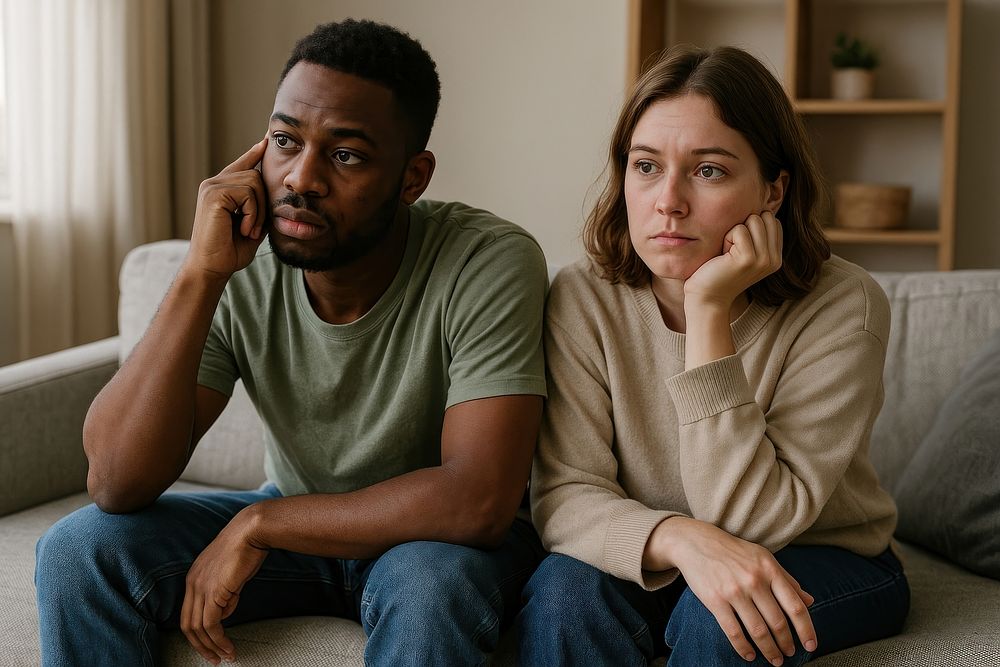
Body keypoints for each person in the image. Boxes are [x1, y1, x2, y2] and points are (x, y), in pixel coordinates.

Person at [35, 19, 548, 667]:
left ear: (412, 178)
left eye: (346, 154)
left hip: (433, 543)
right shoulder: (241, 263)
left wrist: (261, 524)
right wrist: (200, 273)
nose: (301, 178)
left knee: (429, 584)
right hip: (298, 524)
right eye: (284, 141)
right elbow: (115, 481)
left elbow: (477, 500)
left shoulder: (487, 260)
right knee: (78, 549)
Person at [515, 45, 909, 666]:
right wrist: (680, 539)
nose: (667, 200)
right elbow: (565, 495)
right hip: (656, 551)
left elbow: (755, 519)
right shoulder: (583, 296)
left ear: (773, 191)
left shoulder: (844, 304)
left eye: (709, 171)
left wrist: (707, 312)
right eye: (646, 166)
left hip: (822, 551)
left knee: (729, 620)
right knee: (562, 595)